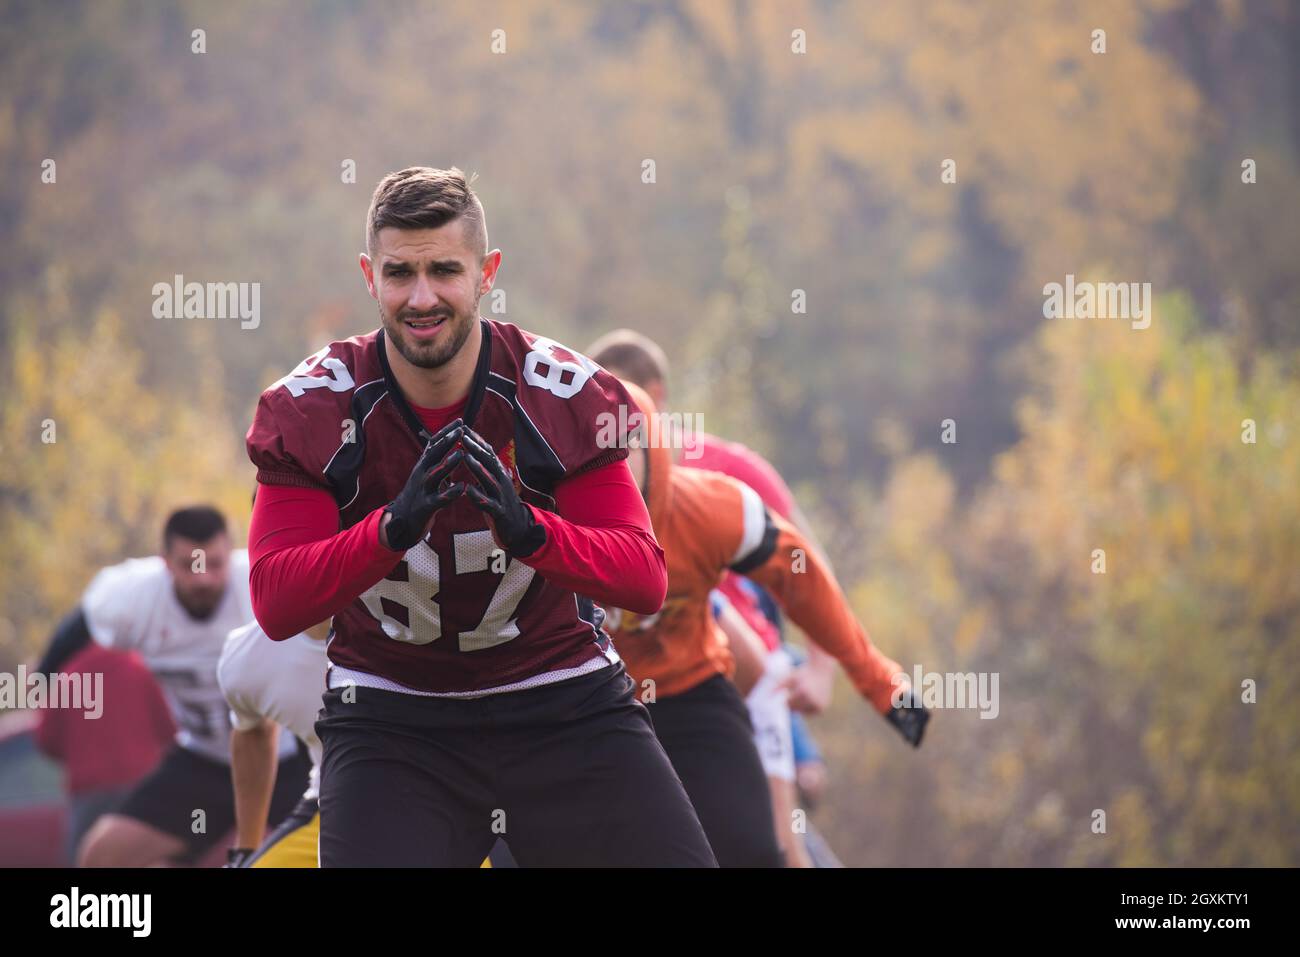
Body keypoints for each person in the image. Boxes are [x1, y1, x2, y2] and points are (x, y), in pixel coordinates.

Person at [244, 166, 715, 867]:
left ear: (487, 271)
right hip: (393, 717)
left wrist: (532, 532)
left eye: (445, 270)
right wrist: (389, 529)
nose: (422, 296)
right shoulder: (314, 406)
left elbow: (643, 577)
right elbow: (276, 602)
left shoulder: (560, 393)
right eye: (400, 272)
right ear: (369, 275)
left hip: (560, 697)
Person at [604, 381, 929, 866]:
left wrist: (875, 678)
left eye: (626, 448)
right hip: (596, 704)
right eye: (596, 451)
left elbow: (804, 570)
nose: (614, 470)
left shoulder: (715, 503)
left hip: (697, 688)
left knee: (756, 850)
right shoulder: (547, 510)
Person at [64, 506, 310, 867]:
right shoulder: (134, 598)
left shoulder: (260, 583)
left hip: (281, 759)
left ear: (233, 556)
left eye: (215, 564)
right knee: (102, 856)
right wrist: (43, 677)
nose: (203, 579)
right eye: (190, 565)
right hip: (204, 759)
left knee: (340, 850)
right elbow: (82, 623)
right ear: (164, 563)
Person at [34, 631, 176, 865]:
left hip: (89, 793)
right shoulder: (139, 669)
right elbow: (169, 730)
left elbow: (46, 740)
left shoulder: (69, 676)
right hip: (140, 787)